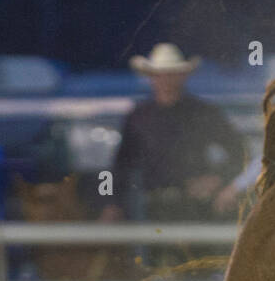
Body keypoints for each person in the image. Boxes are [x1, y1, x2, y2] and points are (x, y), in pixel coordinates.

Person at [102, 43, 245, 222]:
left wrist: (217, 179)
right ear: (150, 77)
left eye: (172, 74)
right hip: (150, 209)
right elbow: (120, 165)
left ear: (183, 76)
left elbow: (239, 151)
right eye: (159, 75)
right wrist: (111, 203)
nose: (165, 80)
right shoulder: (138, 116)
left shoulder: (203, 113)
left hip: (195, 208)